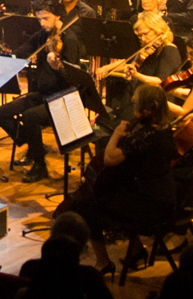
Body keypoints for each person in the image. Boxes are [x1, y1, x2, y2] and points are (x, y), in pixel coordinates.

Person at [63, 84, 183, 270]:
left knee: (86, 207)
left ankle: (103, 262)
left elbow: (110, 158)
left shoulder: (146, 136)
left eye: (135, 102)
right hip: (165, 197)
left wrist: (117, 134)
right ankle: (137, 251)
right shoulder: (165, 130)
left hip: (150, 206)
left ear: (145, 109)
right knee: (118, 191)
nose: (132, 105)